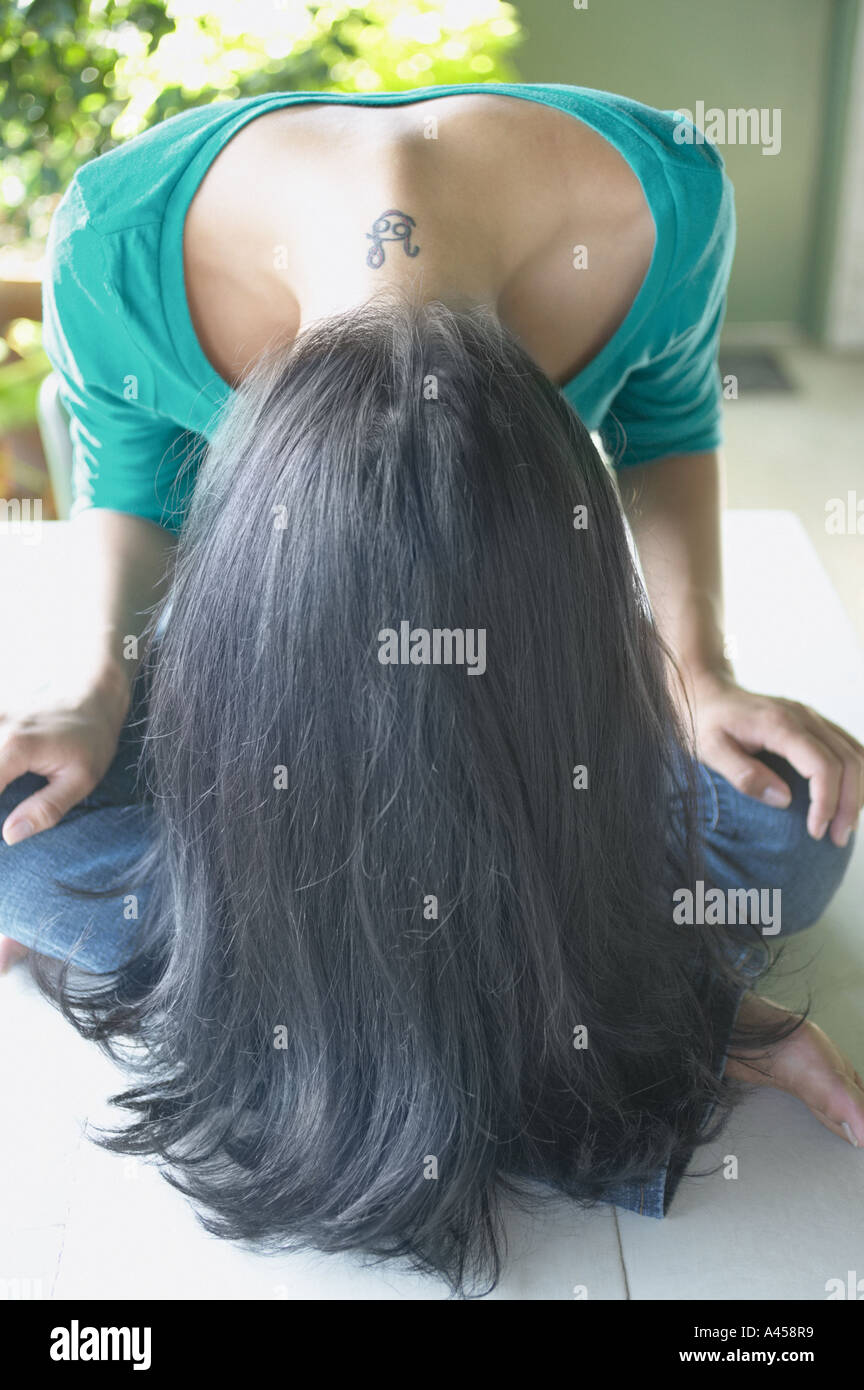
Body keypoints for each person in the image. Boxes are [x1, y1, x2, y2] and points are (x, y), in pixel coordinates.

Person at [1, 83, 862, 1295]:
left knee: (794, 818)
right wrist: (96, 681)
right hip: (275, 702)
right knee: (18, 829)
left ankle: (364, 987)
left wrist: (701, 675)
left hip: (538, 719)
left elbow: (671, 421)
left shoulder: (662, 201)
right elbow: (131, 487)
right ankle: (504, 992)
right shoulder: (117, 242)